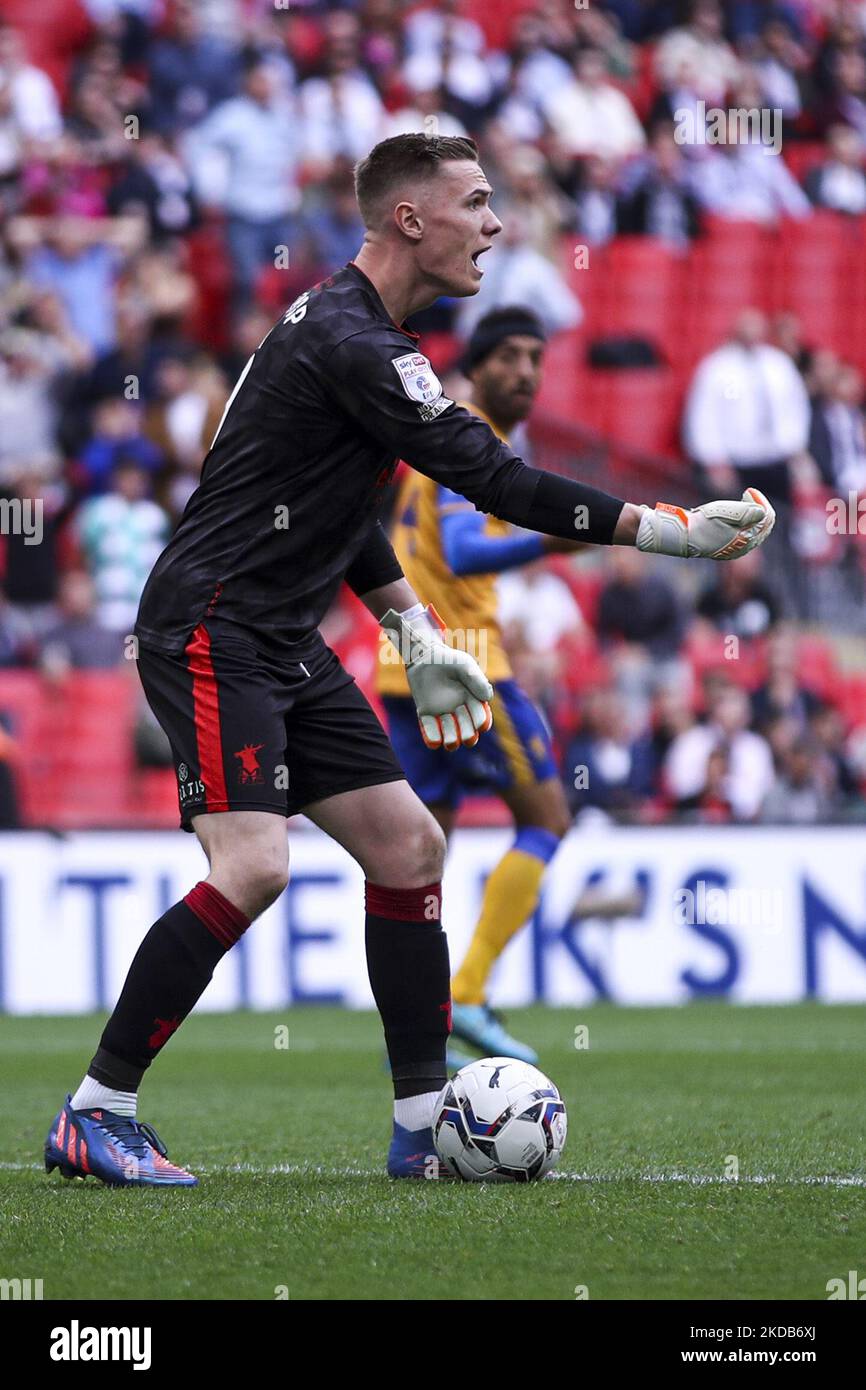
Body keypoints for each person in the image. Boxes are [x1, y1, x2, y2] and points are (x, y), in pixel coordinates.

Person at [43, 133, 775, 1188]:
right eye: (474, 204)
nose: (494, 224)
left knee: (409, 847)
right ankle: (96, 1110)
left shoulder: (344, 332)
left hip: (282, 632)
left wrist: (410, 629)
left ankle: (424, 1124)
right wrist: (666, 531)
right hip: (212, 625)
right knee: (253, 867)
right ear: (407, 219)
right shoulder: (360, 345)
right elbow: (497, 480)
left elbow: (336, 506)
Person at [378, 307, 586, 1067]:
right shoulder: (467, 438)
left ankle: (421, 1030)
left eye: (538, 357)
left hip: (407, 664)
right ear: (477, 364)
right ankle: (465, 991)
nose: (527, 371)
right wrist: (553, 538)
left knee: (421, 854)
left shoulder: (445, 438)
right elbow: (463, 551)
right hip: (467, 667)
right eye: (511, 356)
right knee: (548, 818)